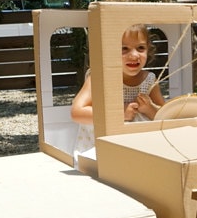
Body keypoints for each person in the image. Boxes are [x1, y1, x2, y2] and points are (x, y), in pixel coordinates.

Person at [71, 24, 166, 158]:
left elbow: (166, 115)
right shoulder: (99, 78)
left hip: (140, 148)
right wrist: (118, 114)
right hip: (101, 148)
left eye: (140, 48)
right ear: (107, 50)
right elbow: (77, 113)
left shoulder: (149, 80)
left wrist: (150, 109)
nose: (134, 55)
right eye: (124, 49)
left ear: (148, 49)